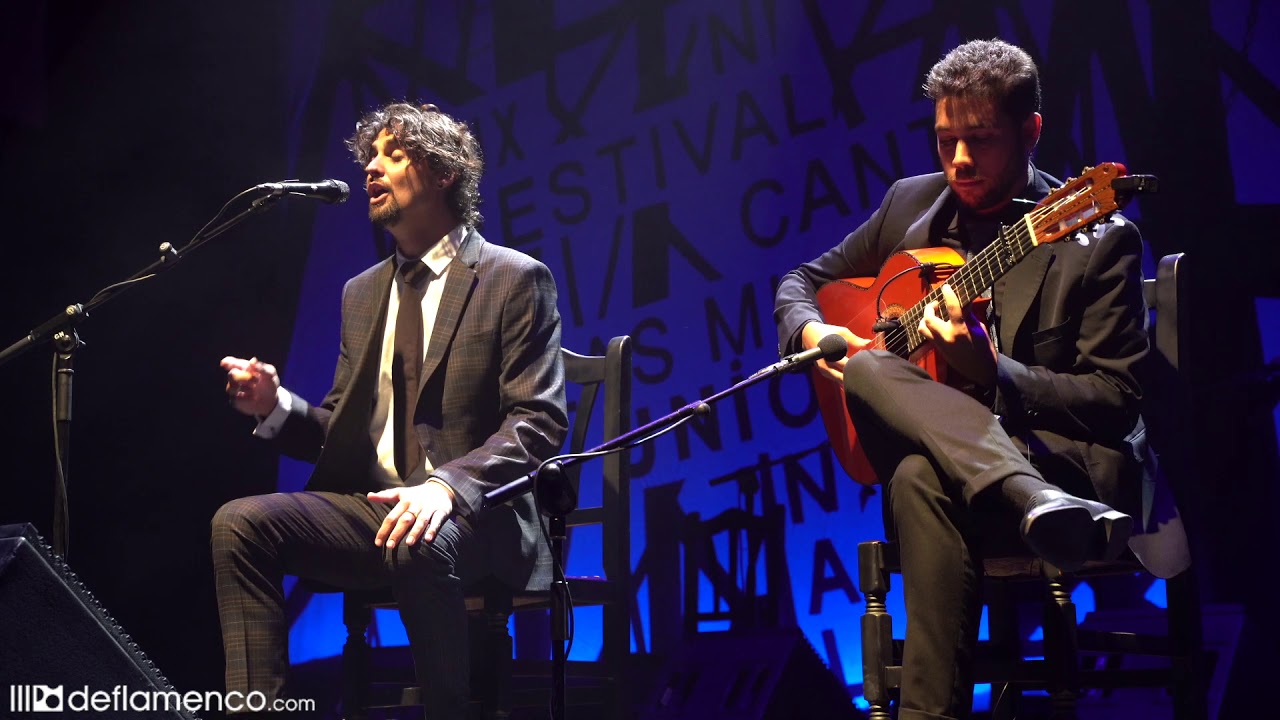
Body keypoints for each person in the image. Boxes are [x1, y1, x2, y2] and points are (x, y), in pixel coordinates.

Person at [774, 39, 1148, 719]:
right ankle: (1024, 495)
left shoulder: (1097, 238)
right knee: (868, 362)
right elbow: (801, 282)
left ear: (1030, 132)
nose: (960, 161)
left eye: (981, 139)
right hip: (1025, 497)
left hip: (1063, 471)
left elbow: (1116, 401)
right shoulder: (908, 204)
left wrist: (993, 372)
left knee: (918, 473)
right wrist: (813, 334)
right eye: (946, 140)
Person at [211, 102, 568, 718]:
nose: (372, 169)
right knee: (240, 523)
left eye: (394, 156)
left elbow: (537, 421)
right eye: (370, 158)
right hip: (377, 510)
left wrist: (446, 488)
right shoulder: (362, 291)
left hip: (480, 515)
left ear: (444, 172)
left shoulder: (514, 278)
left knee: (417, 540)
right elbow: (342, 430)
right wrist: (277, 405)